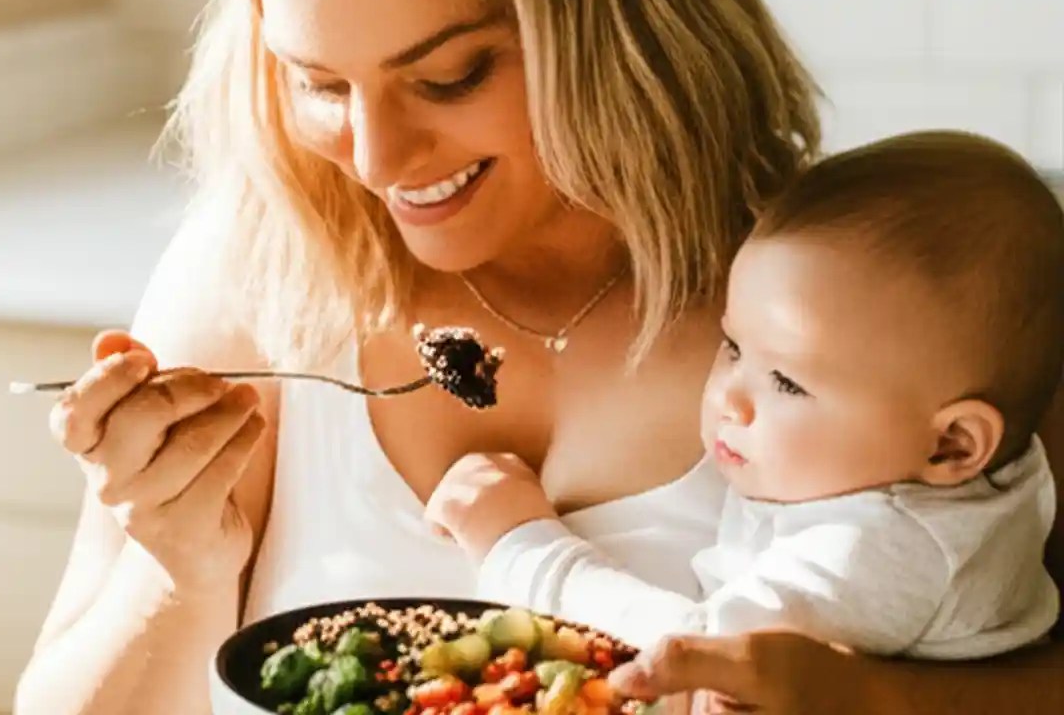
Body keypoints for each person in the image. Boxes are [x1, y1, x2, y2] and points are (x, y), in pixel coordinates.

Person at [13, 0, 1064, 713]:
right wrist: (180, 564)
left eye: (450, 74)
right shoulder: (259, 264)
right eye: (320, 84)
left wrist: (875, 699)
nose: (376, 160)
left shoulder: (881, 286)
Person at [426, 130, 1064, 710]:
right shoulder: (954, 463)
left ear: (954, 444)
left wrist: (518, 543)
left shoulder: (887, 547)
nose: (731, 397)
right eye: (732, 347)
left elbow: (696, 660)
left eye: (787, 380)